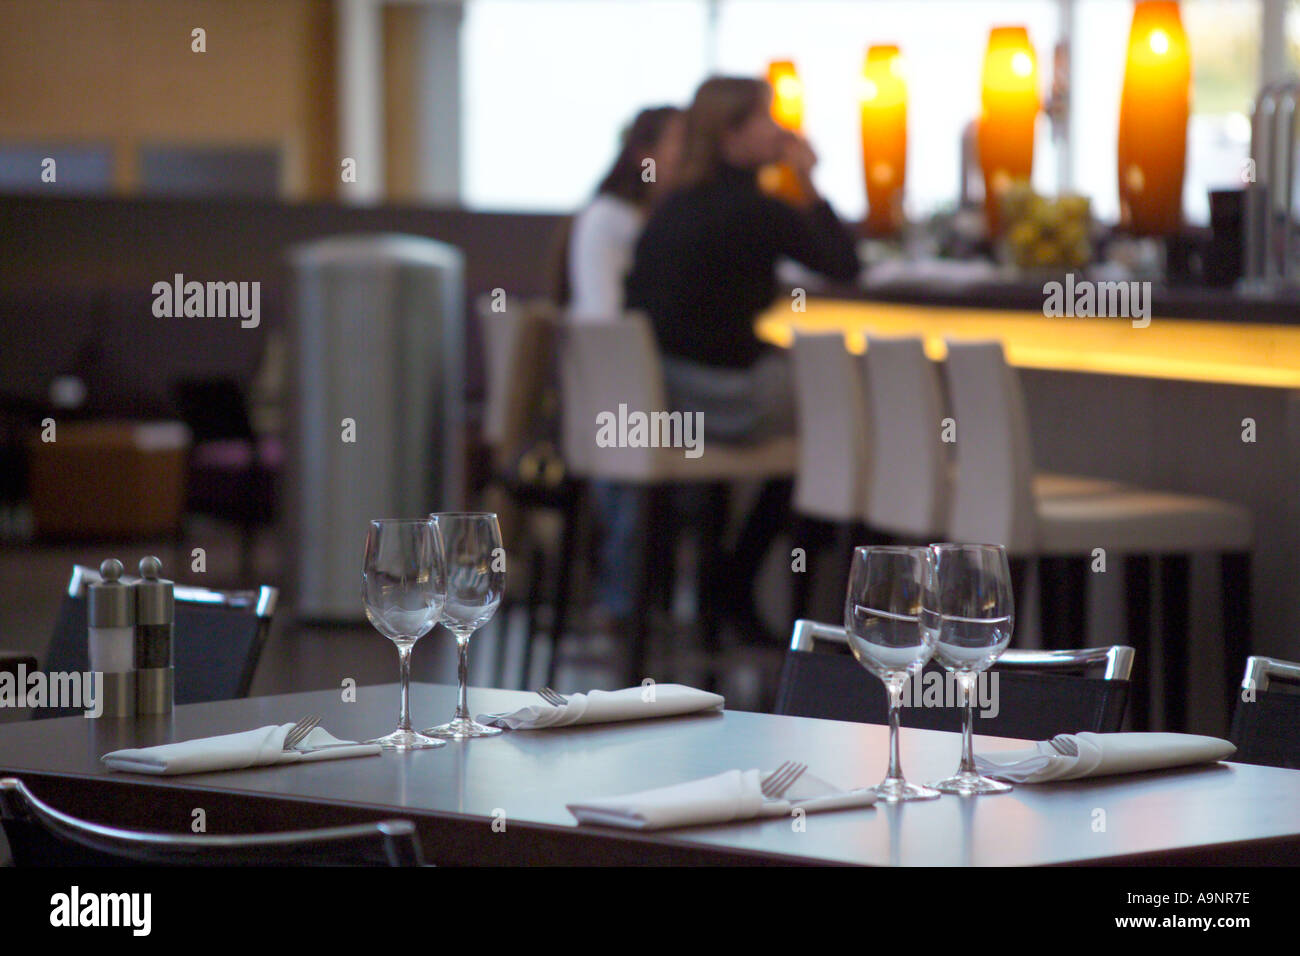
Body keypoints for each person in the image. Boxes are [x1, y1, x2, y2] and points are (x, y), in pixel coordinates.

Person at [624, 75, 859, 641]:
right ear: (732, 134)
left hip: (667, 394)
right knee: (842, 423)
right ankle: (750, 586)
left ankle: (728, 583)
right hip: (715, 397)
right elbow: (844, 264)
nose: (780, 129)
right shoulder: (756, 208)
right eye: (765, 117)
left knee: (818, 411)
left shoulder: (670, 205)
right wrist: (809, 179)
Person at [559, 106, 685, 624]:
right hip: (615, 400)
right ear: (644, 156)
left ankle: (636, 605)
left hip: (605, 399)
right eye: (681, 147)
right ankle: (631, 605)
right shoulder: (619, 220)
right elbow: (609, 322)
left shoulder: (621, 217)